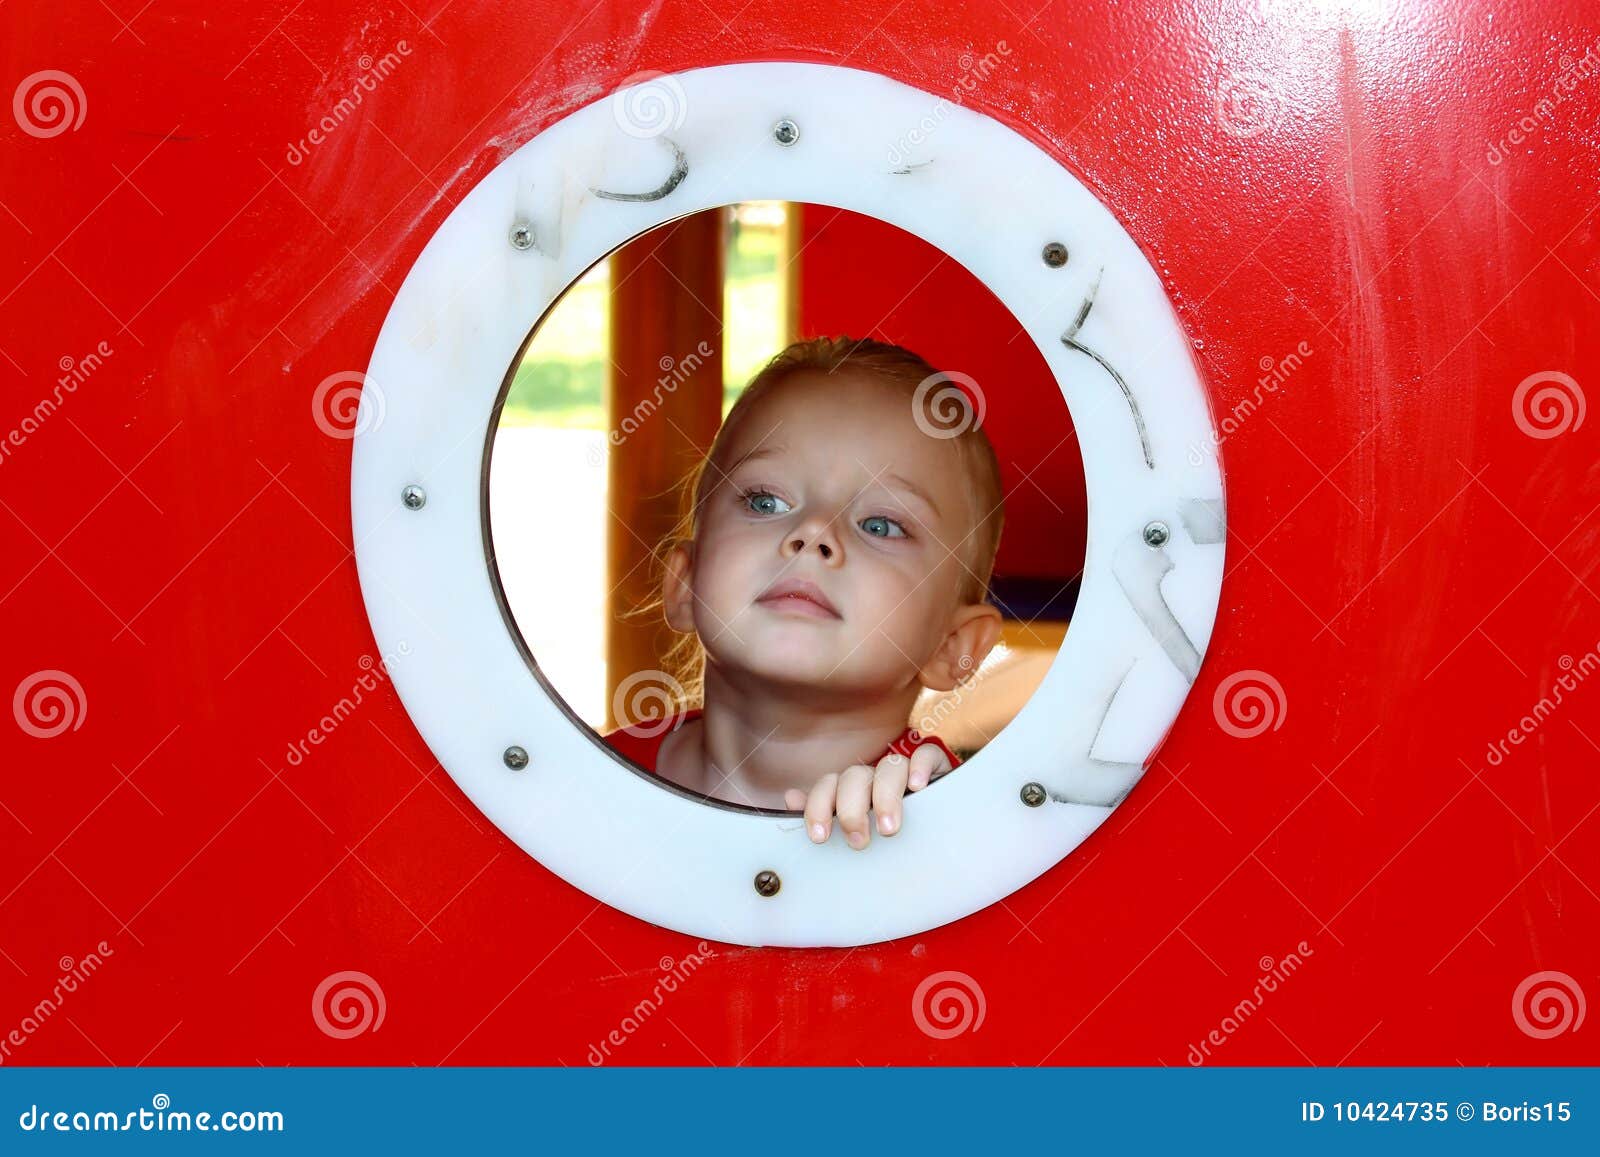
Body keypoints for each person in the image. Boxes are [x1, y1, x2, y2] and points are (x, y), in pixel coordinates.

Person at [604, 336, 1006, 850]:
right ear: (684, 582)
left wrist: (937, 819)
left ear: (954, 646)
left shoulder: (938, 813)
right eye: (766, 501)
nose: (814, 532)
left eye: (881, 525)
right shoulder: (584, 779)